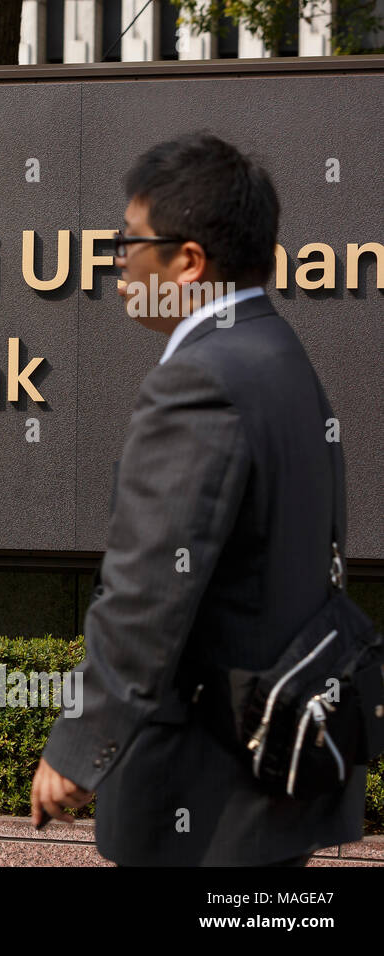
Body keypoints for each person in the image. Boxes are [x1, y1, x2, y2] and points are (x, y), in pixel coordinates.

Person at [28, 132, 367, 866]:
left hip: (205, 797)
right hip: (275, 779)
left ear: (186, 260)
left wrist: (81, 746)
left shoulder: (200, 380)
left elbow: (148, 588)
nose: (119, 263)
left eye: (130, 240)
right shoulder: (282, 356)